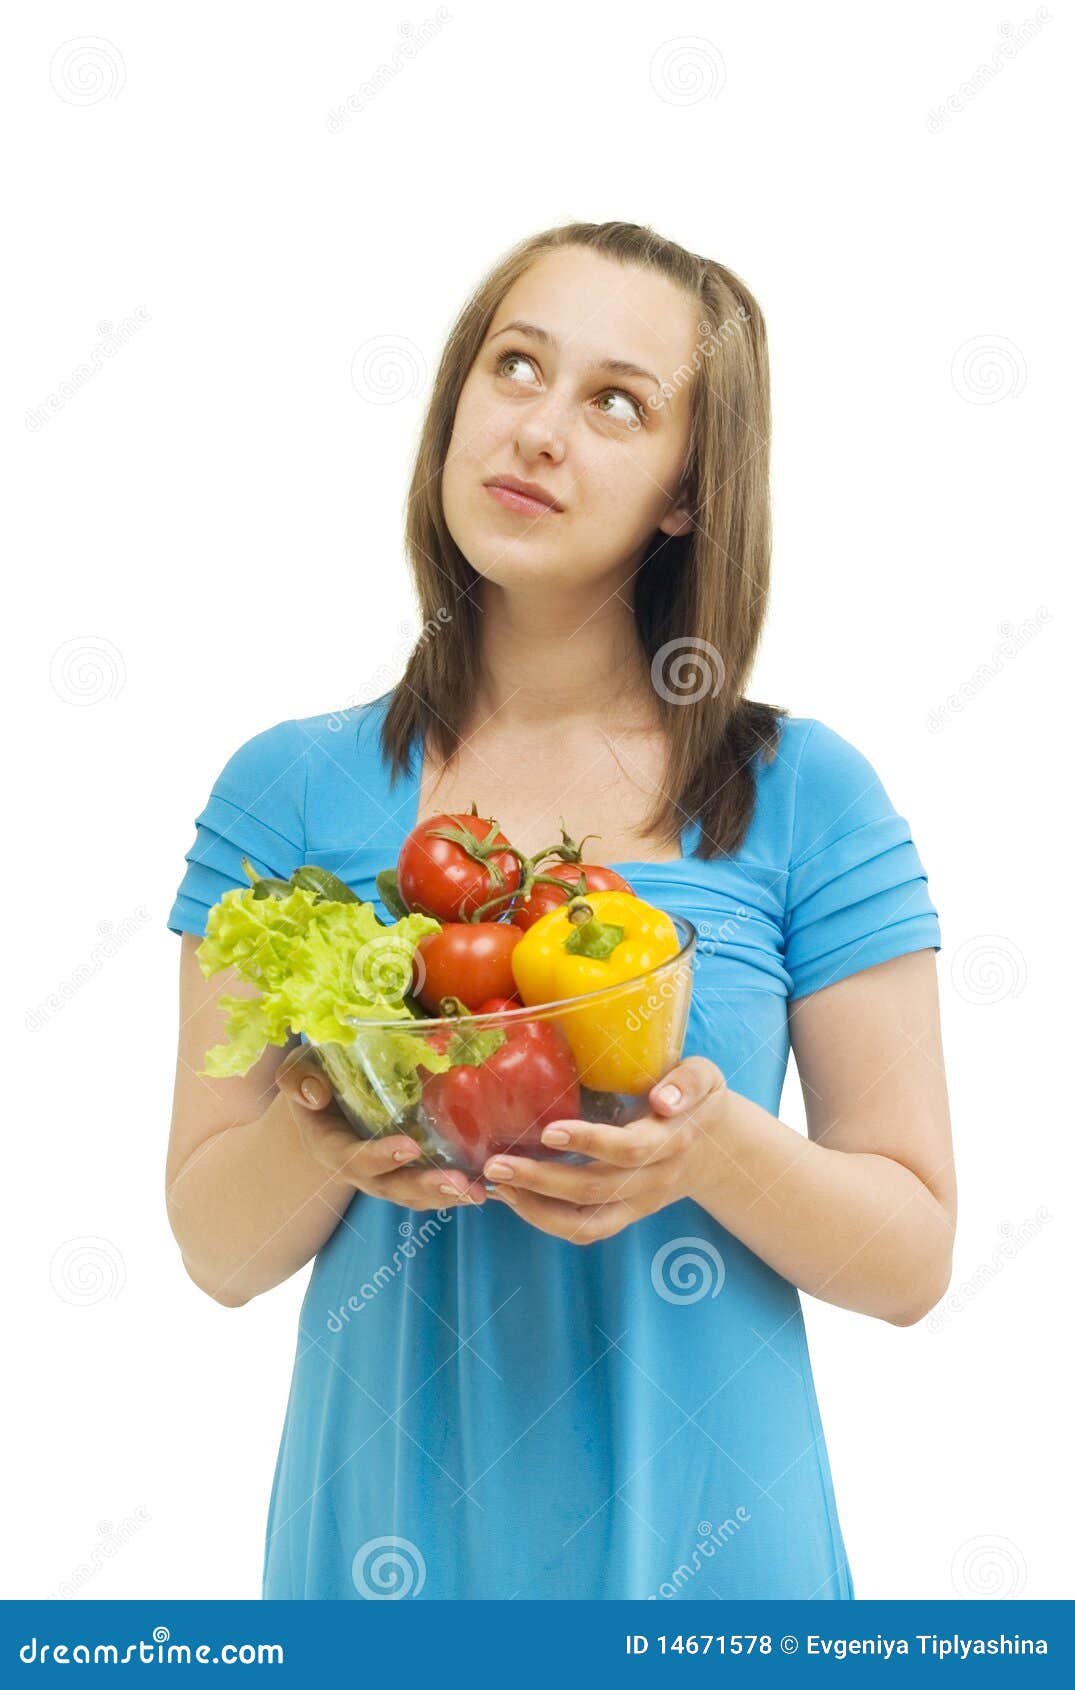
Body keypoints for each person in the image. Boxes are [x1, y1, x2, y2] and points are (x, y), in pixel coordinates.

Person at [165, 221, 956, 1601]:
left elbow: (911, 1255)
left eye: (614, 402)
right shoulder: (288, 789)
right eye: (513, 366)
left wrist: (708, 1148)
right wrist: (329, 1128)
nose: (536, 429)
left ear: (685, 494)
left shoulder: (801, 794)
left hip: (719, 1583)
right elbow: (214, 1250)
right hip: (377, 1572)